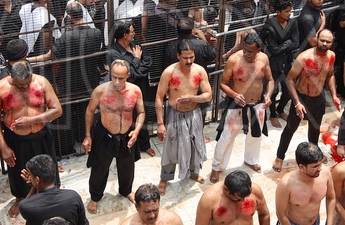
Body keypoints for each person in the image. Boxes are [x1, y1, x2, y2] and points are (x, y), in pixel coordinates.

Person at [0, 59, 63, 217]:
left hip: (41, 136)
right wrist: (3, 146)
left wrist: (32, 120)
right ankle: (21, 198)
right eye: (19, 85)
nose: (23, 87)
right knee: (18, 172)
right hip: (16, 139)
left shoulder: (41, 83)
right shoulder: (0, 88)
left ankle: (51, 196)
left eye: (26, 84)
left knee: (47, 169)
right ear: (12, 76)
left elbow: (57, 110)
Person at [83, 60, 146, 212]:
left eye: (121, 78)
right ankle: (95, 196)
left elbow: (141, 112)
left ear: (128, 75)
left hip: (127, 133)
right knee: (100, 167)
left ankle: (126, 190)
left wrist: (136, 131)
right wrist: (88, 136)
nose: (117, 82)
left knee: (127, 166)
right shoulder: (100, 91)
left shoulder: (135, 91)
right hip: (105, 135)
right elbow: (89, 111)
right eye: (114, 77)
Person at [211, 33, 273, 179]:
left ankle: (251, 160)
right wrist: (234, 95)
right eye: (245, 49)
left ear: (258, 49)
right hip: (237, 105)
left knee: (255, 135)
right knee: (227, 136)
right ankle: (217, 166)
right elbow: (223, 83)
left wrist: (269, 95)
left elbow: (270, 79)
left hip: (257, 104)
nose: (246, 54)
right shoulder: (234, 60)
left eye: (250, 51)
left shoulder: (264, 59)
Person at [275, 29, 339, 167]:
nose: (324, 44)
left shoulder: (331, 56)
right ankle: (279, 157)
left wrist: (334, 95)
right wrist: (297, 103)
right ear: (317, 39)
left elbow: (330, 75)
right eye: (322, 40)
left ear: (332, 42)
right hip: (302, 98)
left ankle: (314, 155)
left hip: (318, 98)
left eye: (328, 41)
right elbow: (290, 79)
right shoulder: (304, 57)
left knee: (315, 128)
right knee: (290, 128)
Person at [155, 41, 212, 189]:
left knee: (195, 144)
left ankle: (193, 172)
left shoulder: (199, 71)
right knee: (171, 148)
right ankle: (165, 178)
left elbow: (208, 95)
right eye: (185, 58)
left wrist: (193, 98)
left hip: (194, 114)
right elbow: (159, 97)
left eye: (191, 57)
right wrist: (160, 124)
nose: (189, 61)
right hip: (175, 114)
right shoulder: (169, 72)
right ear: (178, 56)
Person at [16, 153, 89, 225]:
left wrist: (34, 187)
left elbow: (26, 202)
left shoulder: (26, 207)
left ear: (37, 179)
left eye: (31, 176)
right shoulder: (73, 197)